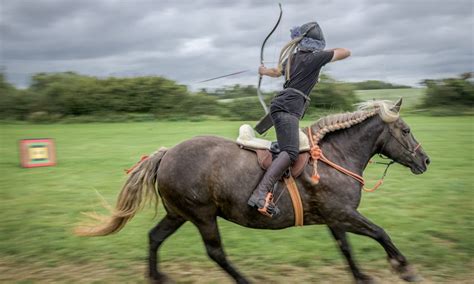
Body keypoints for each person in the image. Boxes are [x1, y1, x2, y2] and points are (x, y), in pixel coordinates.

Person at [247, 21, 351, 217]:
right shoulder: (316, 58)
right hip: (288, 107)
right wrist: (324, 52)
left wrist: (263, 71)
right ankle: (260, 194)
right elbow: (346, 51)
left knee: (287, 148)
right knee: (291, 152)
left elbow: (276, 72)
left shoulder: (293, 58)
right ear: (317, 44)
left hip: (283, 105)